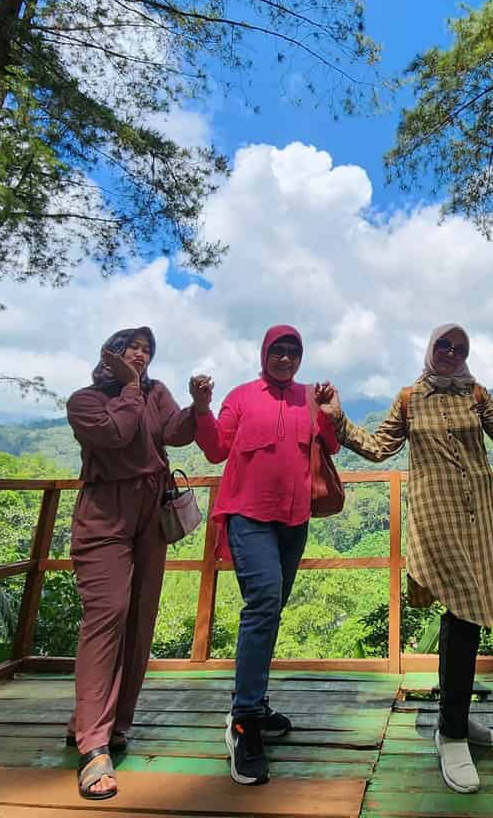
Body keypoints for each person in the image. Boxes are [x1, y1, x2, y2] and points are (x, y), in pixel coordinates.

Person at [319, 324, 493, 795]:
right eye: (443, 345)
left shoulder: (476, 393)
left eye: (459, 348)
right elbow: (380, 448)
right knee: (462, 614)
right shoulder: (409, 398)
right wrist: (337, 420)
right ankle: (453, 734)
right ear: (430, 349)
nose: (450, 353)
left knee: (469, 618)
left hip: (480, 513)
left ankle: (453, 719)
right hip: (436, 518)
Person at [192, 324, 340, 786]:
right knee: (262, 606)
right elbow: (217, 450)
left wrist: (331, 413)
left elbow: (329, 447)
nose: (285, 358)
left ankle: (252, 698)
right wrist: (201, 408)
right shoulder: (240, 397)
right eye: (278, 350)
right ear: (264, 353)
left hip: (293, 520)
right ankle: (244, 721)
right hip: (247, 516)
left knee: (270, 611)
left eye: (293, 351)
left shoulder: (309, 398)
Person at [65, 327, 208, 801]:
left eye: (146, 349)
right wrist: (129, 386)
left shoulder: (156, 393)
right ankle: (93, 746)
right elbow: (117, 432)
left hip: (151, 512)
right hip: (105, 515)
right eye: (131, 348)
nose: (141, 354)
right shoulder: (84, 401)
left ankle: (110, 724)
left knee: (140, 620)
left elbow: (173, 433)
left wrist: (198, 406)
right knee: (107, 615)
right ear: (110, 355)